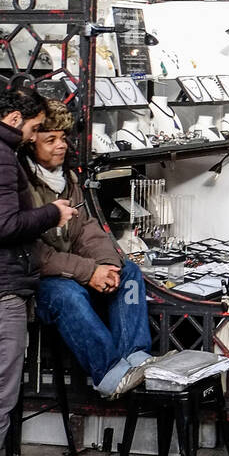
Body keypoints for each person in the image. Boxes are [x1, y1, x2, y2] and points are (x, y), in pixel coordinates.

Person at [21, 103, 155, 399]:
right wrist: (89, 271)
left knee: (128, 270)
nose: (61, 146)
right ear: (31, 142)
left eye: (63, 138)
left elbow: (85, 230)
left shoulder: (67, 180)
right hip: (35, 282)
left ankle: (134, 358)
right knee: (67, 294)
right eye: (50, 140)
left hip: (70, 269)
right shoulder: (22, 184)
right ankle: (108, 373)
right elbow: (35, 253)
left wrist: (106, 265)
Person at [0, 86, 74, 456]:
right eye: (32, 128)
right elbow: (6, 225)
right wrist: (51, 213)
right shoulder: (5, 157)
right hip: (4, 287)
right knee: (2, 398)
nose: (34, 136)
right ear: (14, 119)